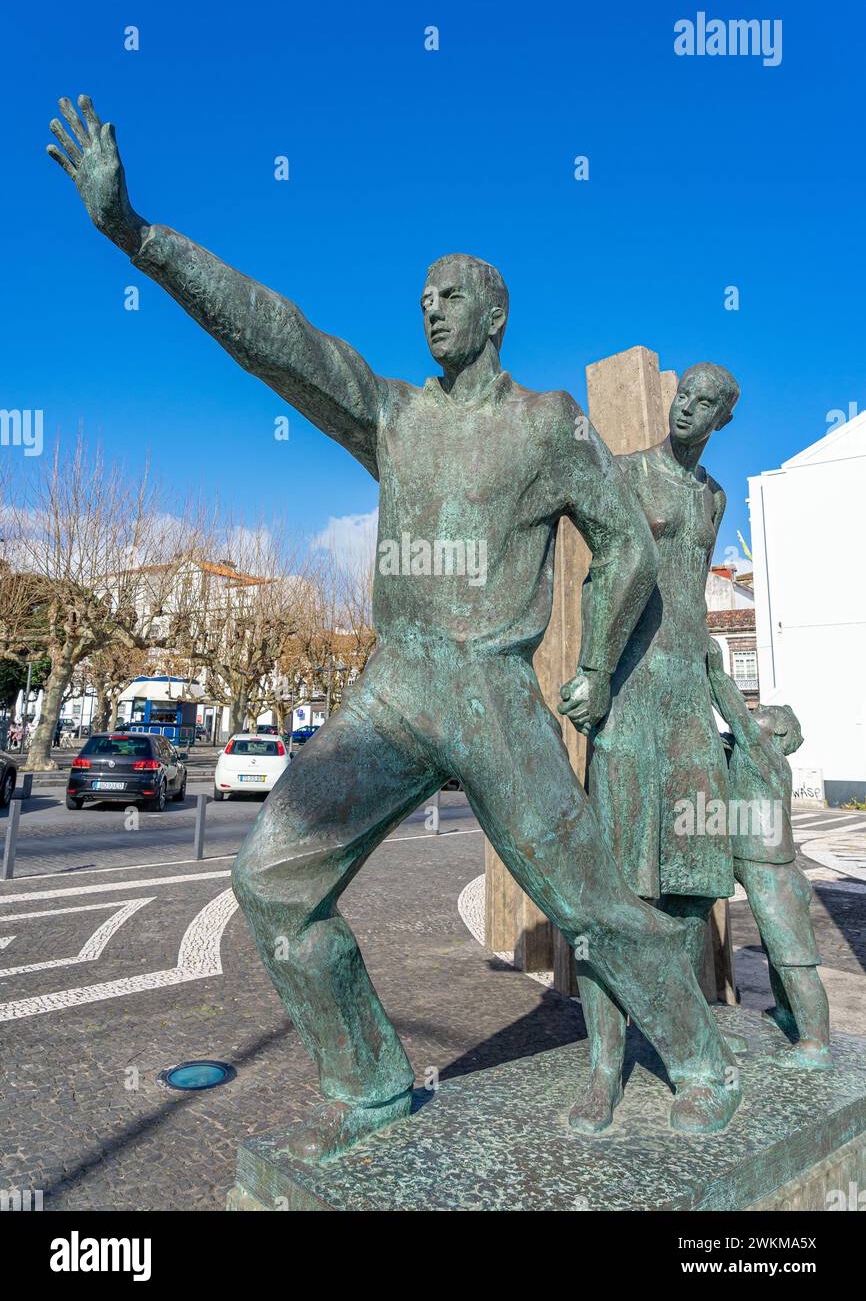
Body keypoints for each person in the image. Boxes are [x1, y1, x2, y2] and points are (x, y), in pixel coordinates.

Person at [48, 94, 741, 1161]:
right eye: (421, 297)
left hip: (494, 694)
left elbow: (628, 549)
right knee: (269, 880)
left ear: (493, 314)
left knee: (590, 904)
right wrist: (140, 234)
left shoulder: (546, 421)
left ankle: (698, 1056)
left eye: (448, 296)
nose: (428, 310)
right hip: (396, 690)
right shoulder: (396, 416)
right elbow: (277, 339)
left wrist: (596, 667)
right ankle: (370, 1079)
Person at [573, 364, 740, 1133]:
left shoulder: (714, 497)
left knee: (690, 880)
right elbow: (604, 580)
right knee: (612, 889)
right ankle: (605, 1062)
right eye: (683, 396)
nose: (686, 409)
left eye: (704, 404)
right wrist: (593, 673)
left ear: (720, 420)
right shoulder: (628, 473)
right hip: (633, 696)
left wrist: (723, 693)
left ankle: (683, 1047)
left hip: (686, 703)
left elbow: (698, 599)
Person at [707, 641, 831, 1069]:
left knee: (793, 958)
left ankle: (816, 1042)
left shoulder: (765, 756)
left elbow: (731, 710)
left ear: (776, 736)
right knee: (776, 951)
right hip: (752, 865)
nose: (755, 715)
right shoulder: (748, 751)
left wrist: (716, 668)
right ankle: (787, 1015)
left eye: (764, 716)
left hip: (772, 872)